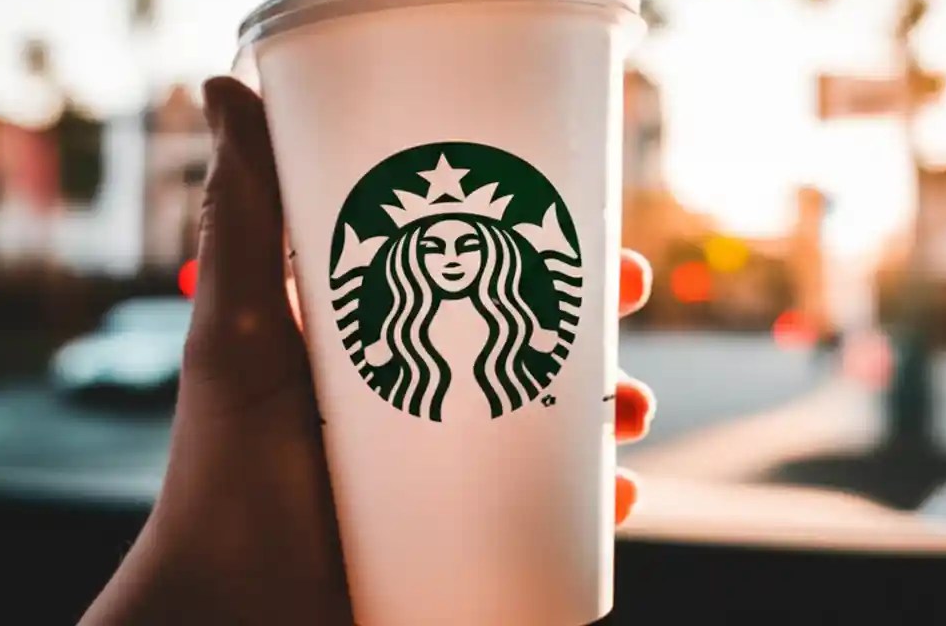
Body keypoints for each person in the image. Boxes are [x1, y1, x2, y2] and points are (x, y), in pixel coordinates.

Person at [80, 77, 657, 625]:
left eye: (468, 244)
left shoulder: (518, 336)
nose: (451, 259)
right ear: (407, 257)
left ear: (498, 253)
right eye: (432, 246)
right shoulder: (396, 342)